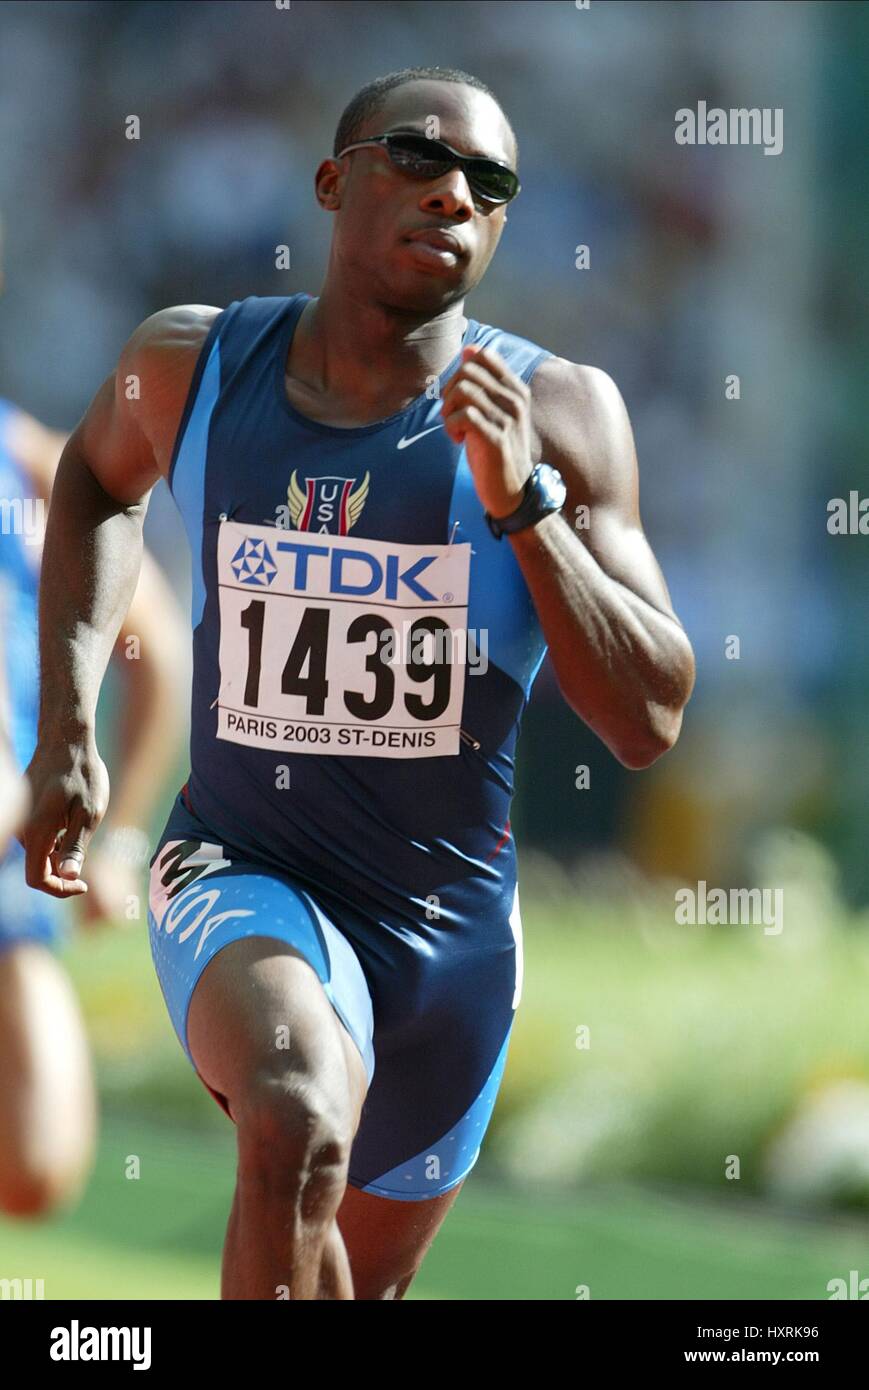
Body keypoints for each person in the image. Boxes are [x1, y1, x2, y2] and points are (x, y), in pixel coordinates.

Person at [24, 66, 695, 1297]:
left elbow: (647, 716)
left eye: (487, 185)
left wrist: (523, 511)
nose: (452, 194)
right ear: (332, 183)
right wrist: (70, 714)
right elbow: (94, 479)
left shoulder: (559, 414)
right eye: (418, 158)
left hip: (446, 944)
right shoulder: (188, 364)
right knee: (292, 1112)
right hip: (239, 865)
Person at [0, 389, 187, 1216]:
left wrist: (119, 841)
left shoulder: (30, 466)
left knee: (37, 1167)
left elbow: (159, 653)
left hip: (7, 875)